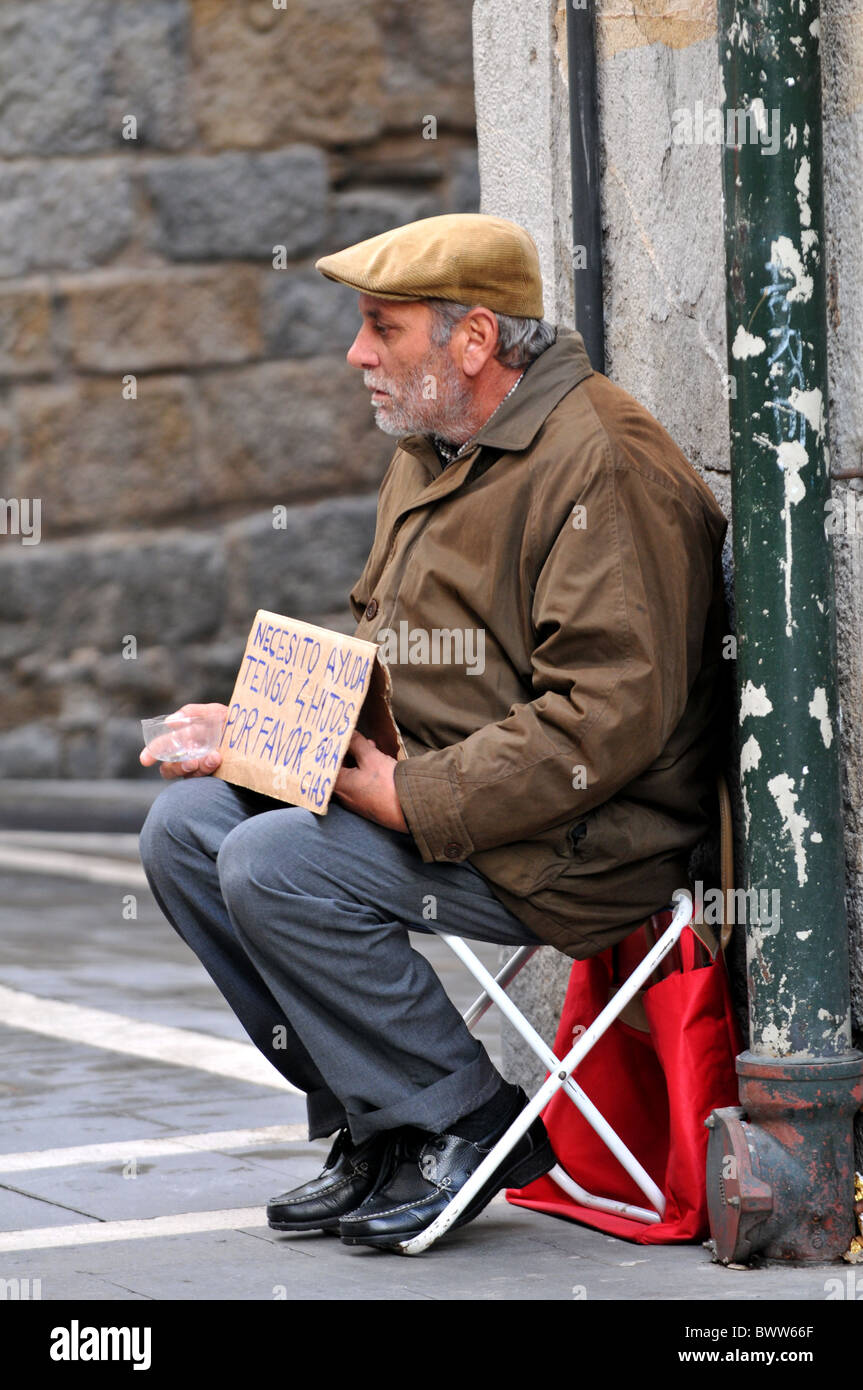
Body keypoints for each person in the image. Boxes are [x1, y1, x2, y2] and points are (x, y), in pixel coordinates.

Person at [138, 213, 728, 1250]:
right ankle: (380, 1122)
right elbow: (392, 663)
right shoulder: (431, 447)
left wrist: (408, 797)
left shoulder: (599, 463)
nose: (356, 353)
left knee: (275, 860)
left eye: (382, 327)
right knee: (185, 826)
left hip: (583, 841)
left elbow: (603, 718)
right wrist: (264, 731)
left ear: (472, 340)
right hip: (446, 795)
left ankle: (464, 1120)